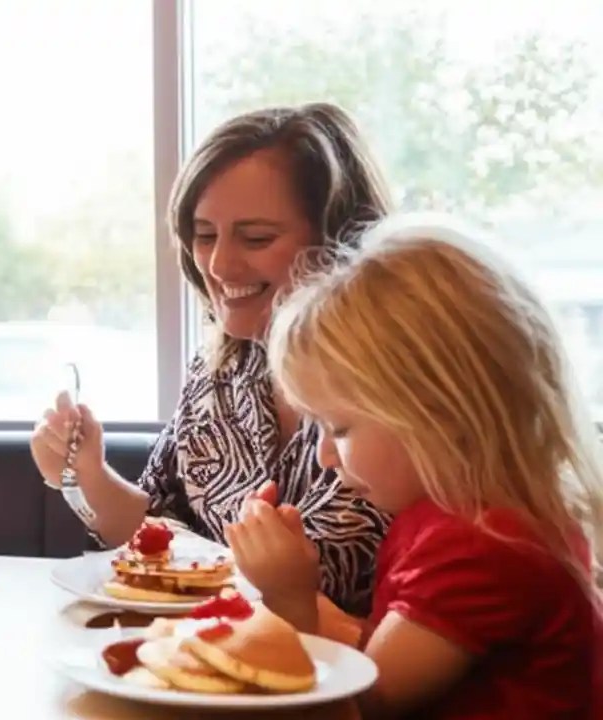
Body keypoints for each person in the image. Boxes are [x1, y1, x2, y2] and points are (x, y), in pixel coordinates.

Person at [230, 214, 603, 718]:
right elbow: (390, 651)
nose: (324, 456)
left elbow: (361, 709)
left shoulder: (481, 545)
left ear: (438, 412)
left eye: (339, 428)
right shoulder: (465, 517)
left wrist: (290, 599)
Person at [31, 103, 394, 614]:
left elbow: (335, 578)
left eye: (256, 238)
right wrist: (87, 474)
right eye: (204, 236)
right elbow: (159, 533)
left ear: (341, 238)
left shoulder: (396, 382)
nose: (219, 264)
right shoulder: (220, 368)